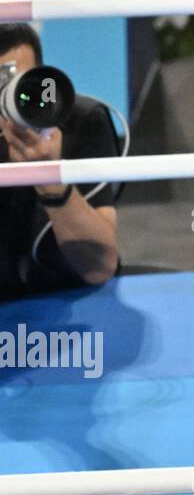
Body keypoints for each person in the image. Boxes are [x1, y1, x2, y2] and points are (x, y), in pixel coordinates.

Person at [0, 24, 122, 297]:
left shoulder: (77, 120)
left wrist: (51, 183)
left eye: (15, 84)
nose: (5, 100)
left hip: (66, 303)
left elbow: (99, 267)